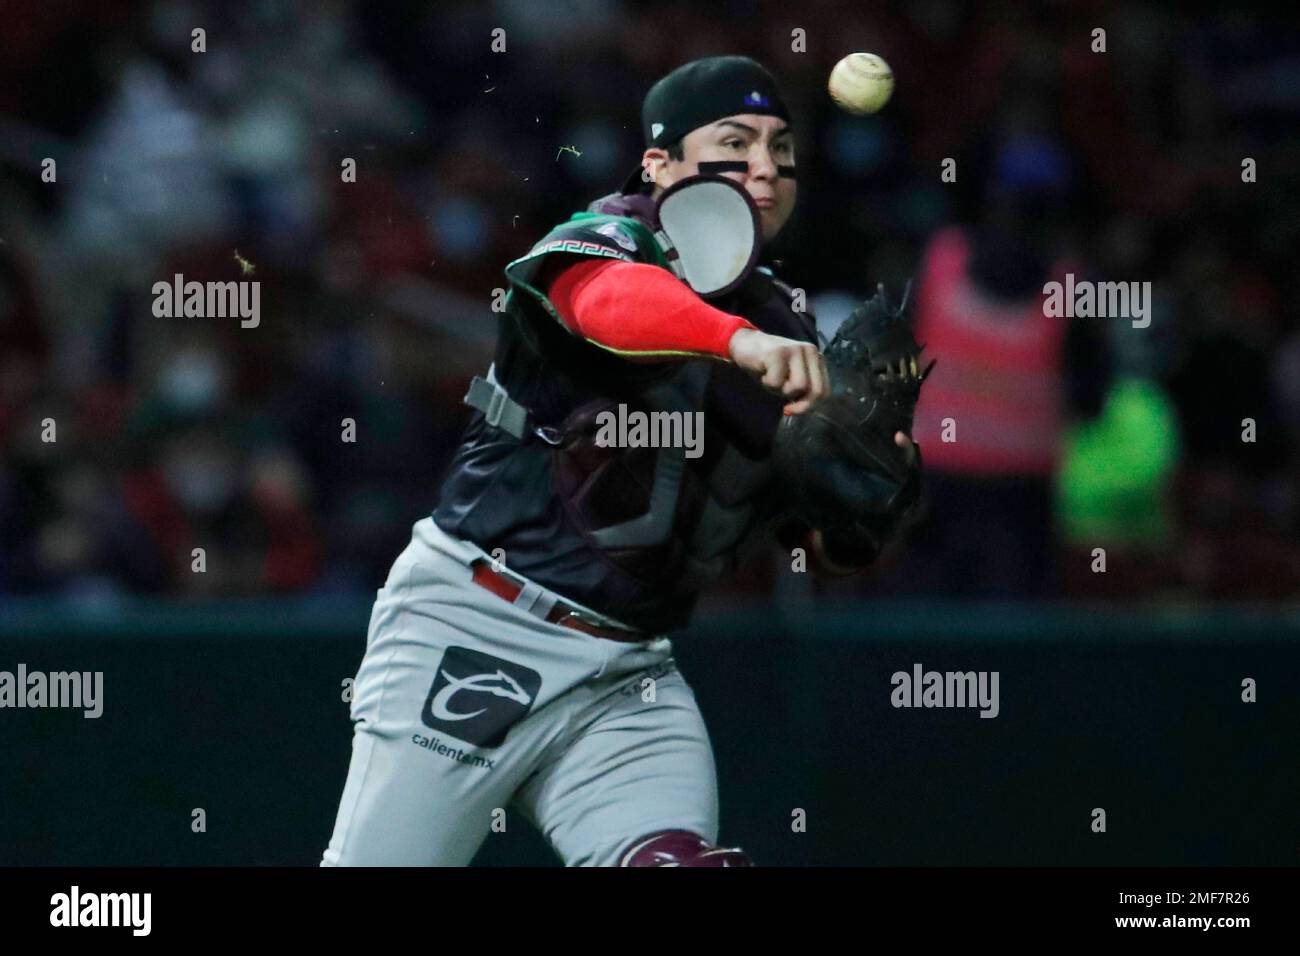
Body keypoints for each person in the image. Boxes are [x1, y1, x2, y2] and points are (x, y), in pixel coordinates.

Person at [322, 55, 917, 867]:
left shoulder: (785, 326)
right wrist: (737, 342)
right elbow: (604, 302)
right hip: (478, 628)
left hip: (628, 678)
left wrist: (869, 502)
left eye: (780, 149)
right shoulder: (612, 236)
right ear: (660, 164)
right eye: (734, 142)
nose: (764, 167)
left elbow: (814, 543)